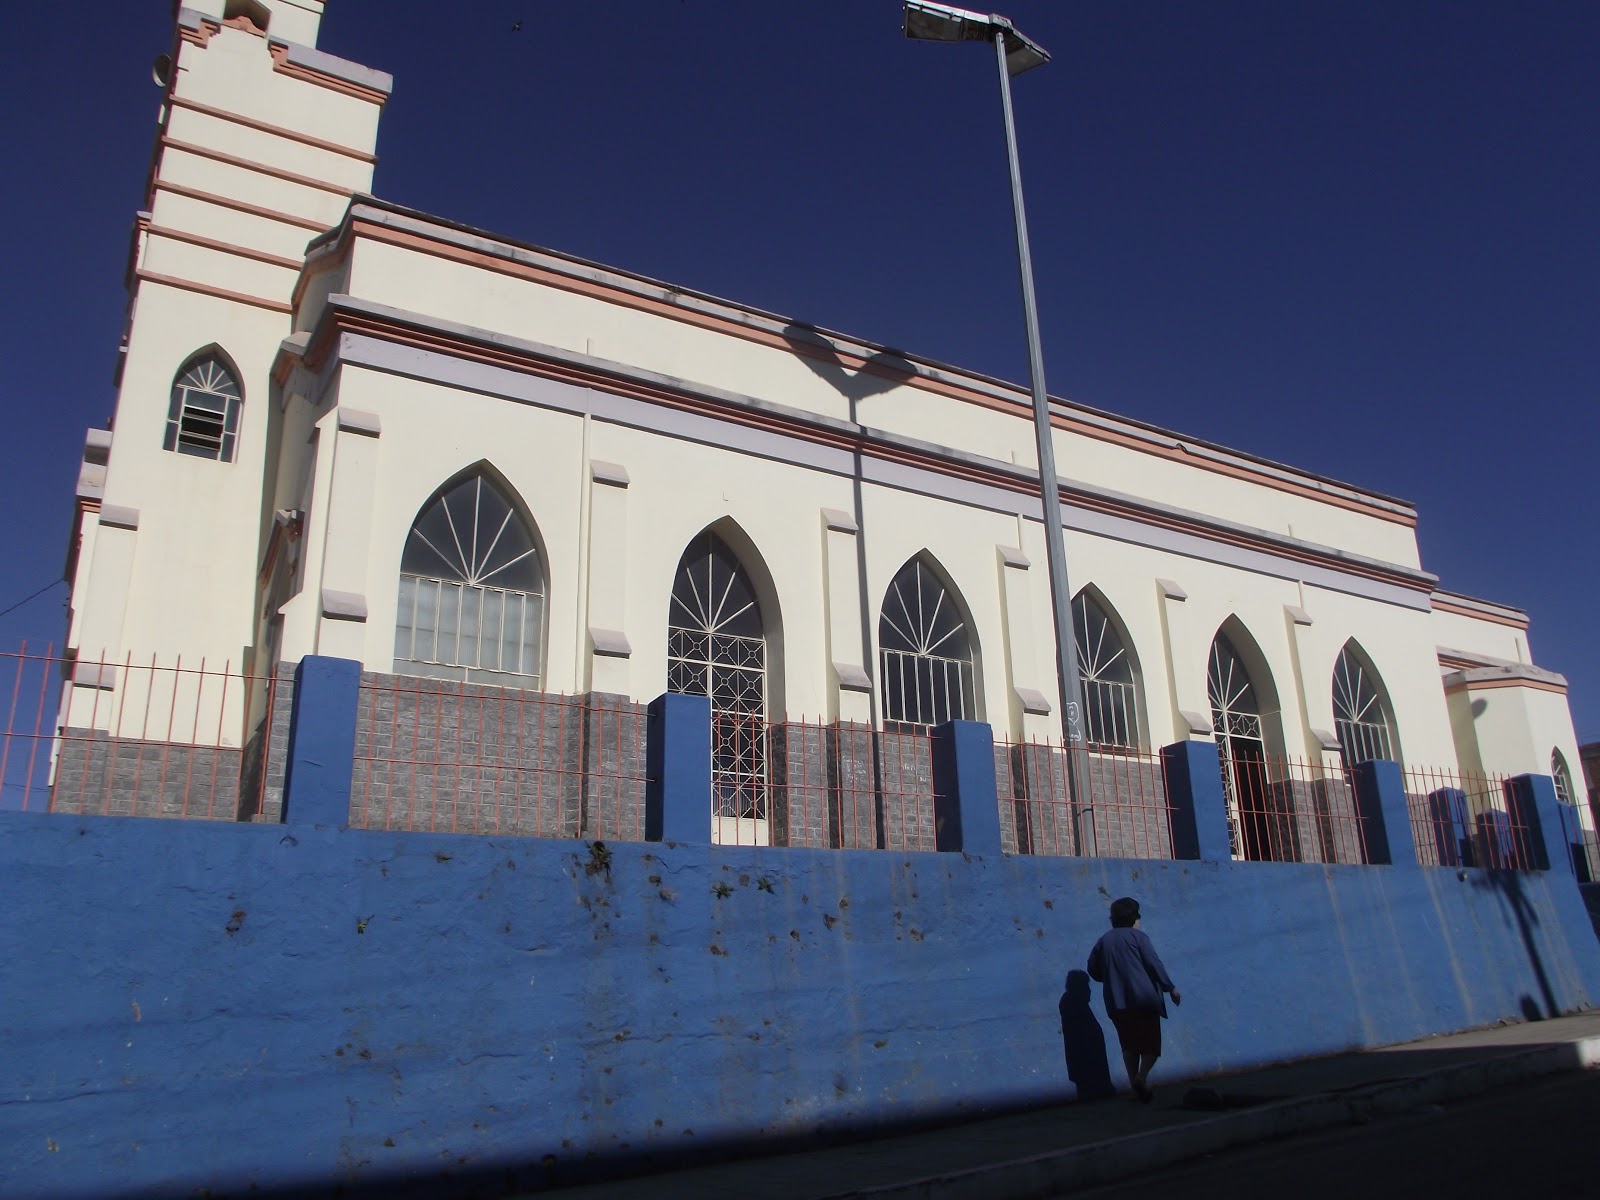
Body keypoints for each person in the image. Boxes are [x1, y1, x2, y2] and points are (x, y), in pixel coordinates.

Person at [1086, 896, 1181, 1102]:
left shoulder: (1104, 940)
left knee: (1129, 1045)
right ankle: (1141, 1077)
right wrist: (1170, 987)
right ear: (1132, 918)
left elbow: (1093, 968)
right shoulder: (1139, 938)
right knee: (1151, 1045)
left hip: (1117, 1002)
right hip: (1144, 999)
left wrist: (1110, 977)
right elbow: (1154, 964)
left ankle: (1135, 1088)